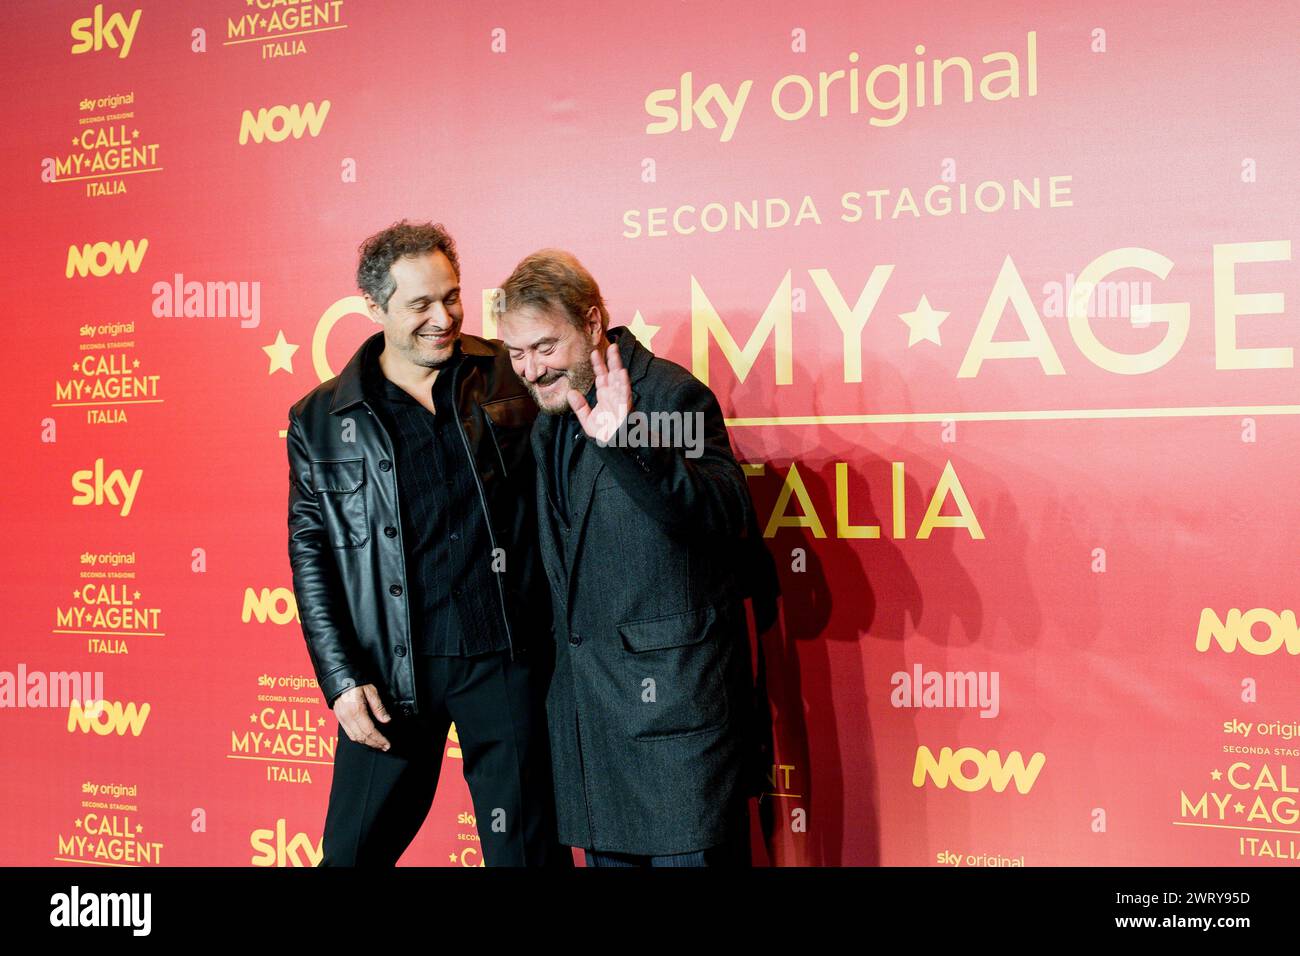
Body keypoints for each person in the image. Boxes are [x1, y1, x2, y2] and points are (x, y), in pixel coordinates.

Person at [286, 221, 567, 866]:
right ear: (374, 307)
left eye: (452, 296)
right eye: (419, 305)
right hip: (393, 674)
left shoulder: (507, 374)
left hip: (507, 659)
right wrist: (340, 678)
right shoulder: (322, 419)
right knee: (351, 857)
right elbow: (313, 556)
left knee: (527, 858)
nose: (442, 318)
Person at [495, 248, 772, 866]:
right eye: (515, 353)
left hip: (677, 737)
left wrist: (628, 442)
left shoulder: (670, 398)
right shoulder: (548, 424)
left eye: (544, 347)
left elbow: (724, 515)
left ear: (593, 324)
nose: (531, 370)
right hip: (594, 741)